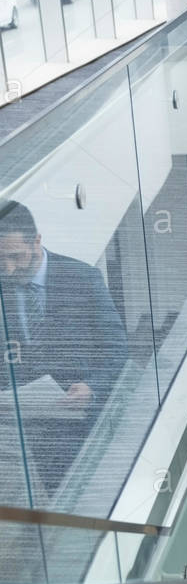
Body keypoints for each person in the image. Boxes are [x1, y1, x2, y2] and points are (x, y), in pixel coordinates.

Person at [0, 199, 128, 503]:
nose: (8, 268)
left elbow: (118, 350)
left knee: (97, 501)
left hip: (83, 425)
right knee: (62, 501)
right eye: (0, 258)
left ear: (37, 241)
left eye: (15, 256)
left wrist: (93, 388)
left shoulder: (83, 279)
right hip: (31, 433)